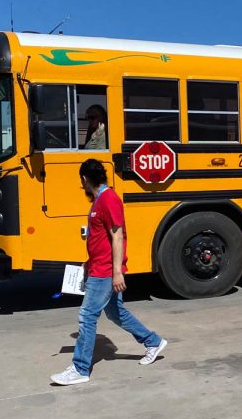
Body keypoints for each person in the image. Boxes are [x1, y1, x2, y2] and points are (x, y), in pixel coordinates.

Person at [51, 159, 166, 386]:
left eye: (81, 182)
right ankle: (153, 341)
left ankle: (80, 368)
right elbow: (101, 238)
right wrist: (88, 261)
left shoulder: (109, 199)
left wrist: (116, 272)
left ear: (84, 179)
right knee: (115, 313)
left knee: (87, 316)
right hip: (99, 265)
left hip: (105, 271)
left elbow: (117, 236)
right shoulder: (100, 200)